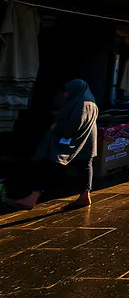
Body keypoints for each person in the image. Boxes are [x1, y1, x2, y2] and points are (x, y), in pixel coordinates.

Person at [6, 80, 98, 210]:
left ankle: (31, 198)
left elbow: (74, 124)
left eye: (66, 92)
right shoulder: (87, 99)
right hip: (86, 141)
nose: (65, 94)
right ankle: (85, 196)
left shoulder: (83, 104)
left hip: (73, 142)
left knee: (51, 164)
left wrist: (56, 126)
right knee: (85, 165)